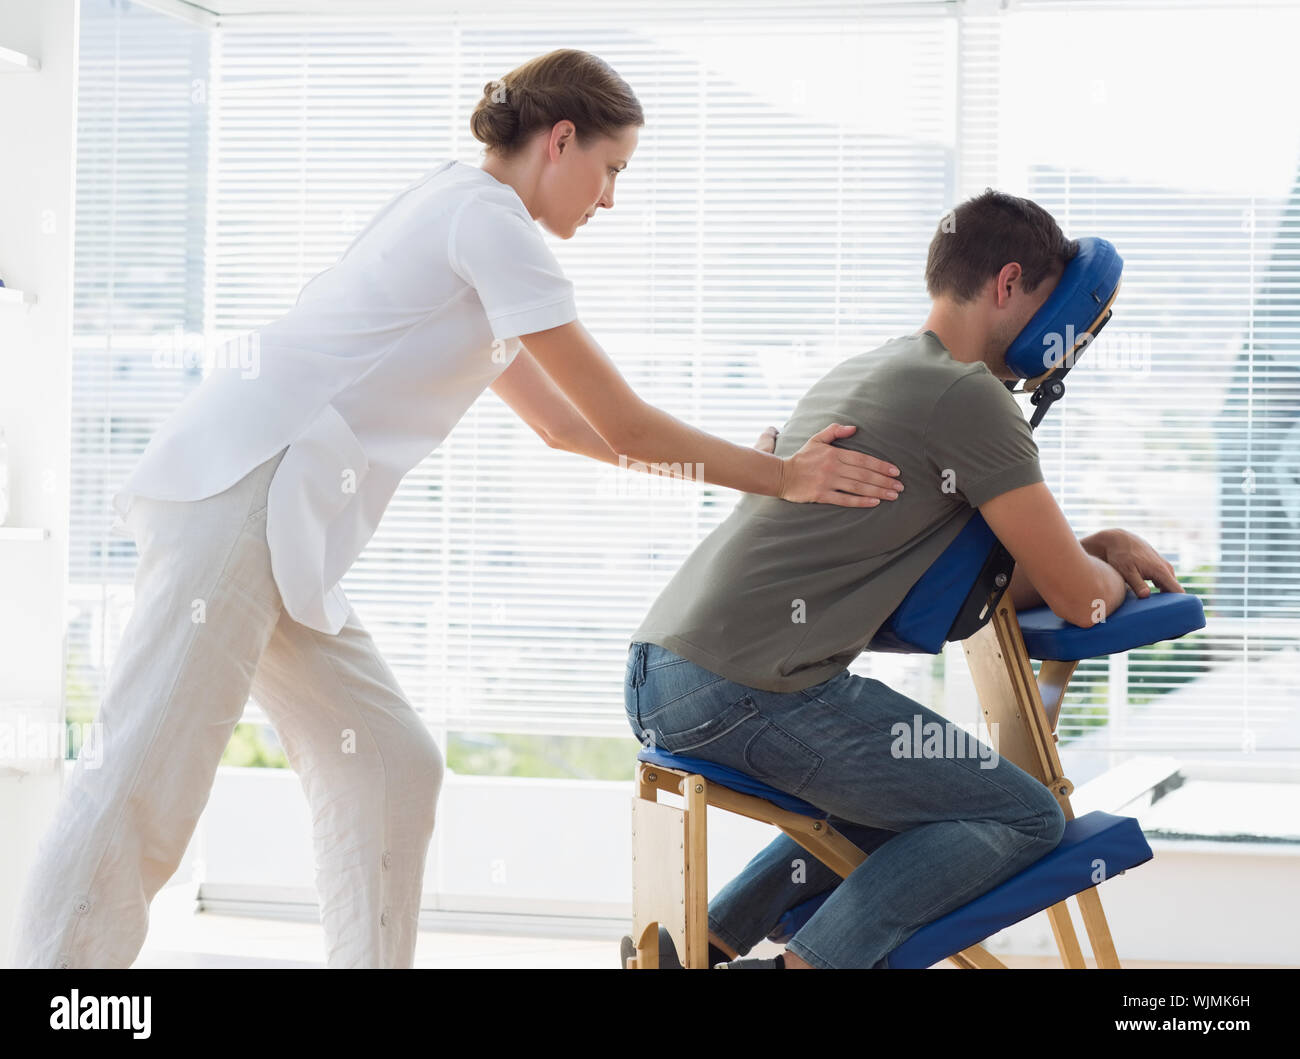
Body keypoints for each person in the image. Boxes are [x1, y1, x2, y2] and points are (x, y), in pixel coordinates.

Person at [6, 48, 905, 970]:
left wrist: (743, 465)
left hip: (285, 523)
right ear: (560, 141)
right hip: (246, 489)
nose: (607, 203)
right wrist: (783, 479)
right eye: (610, 172)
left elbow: (569, 427)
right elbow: (623, 420)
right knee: (144, 778)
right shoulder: (487, 220)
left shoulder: (467, 220)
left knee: (390, 761)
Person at [621, 188, 1186, 969]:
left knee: (928, 794)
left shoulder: (878, 366)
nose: (1059, 343)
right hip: (747, 686)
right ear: (1009, 283)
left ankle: (695, 949)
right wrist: (1114, 557)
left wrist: (1087, 545)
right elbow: (1078, 597)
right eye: (1053, 310)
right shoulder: (971, 396)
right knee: (1026, 817)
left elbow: (969, 577)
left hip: (666, 669)